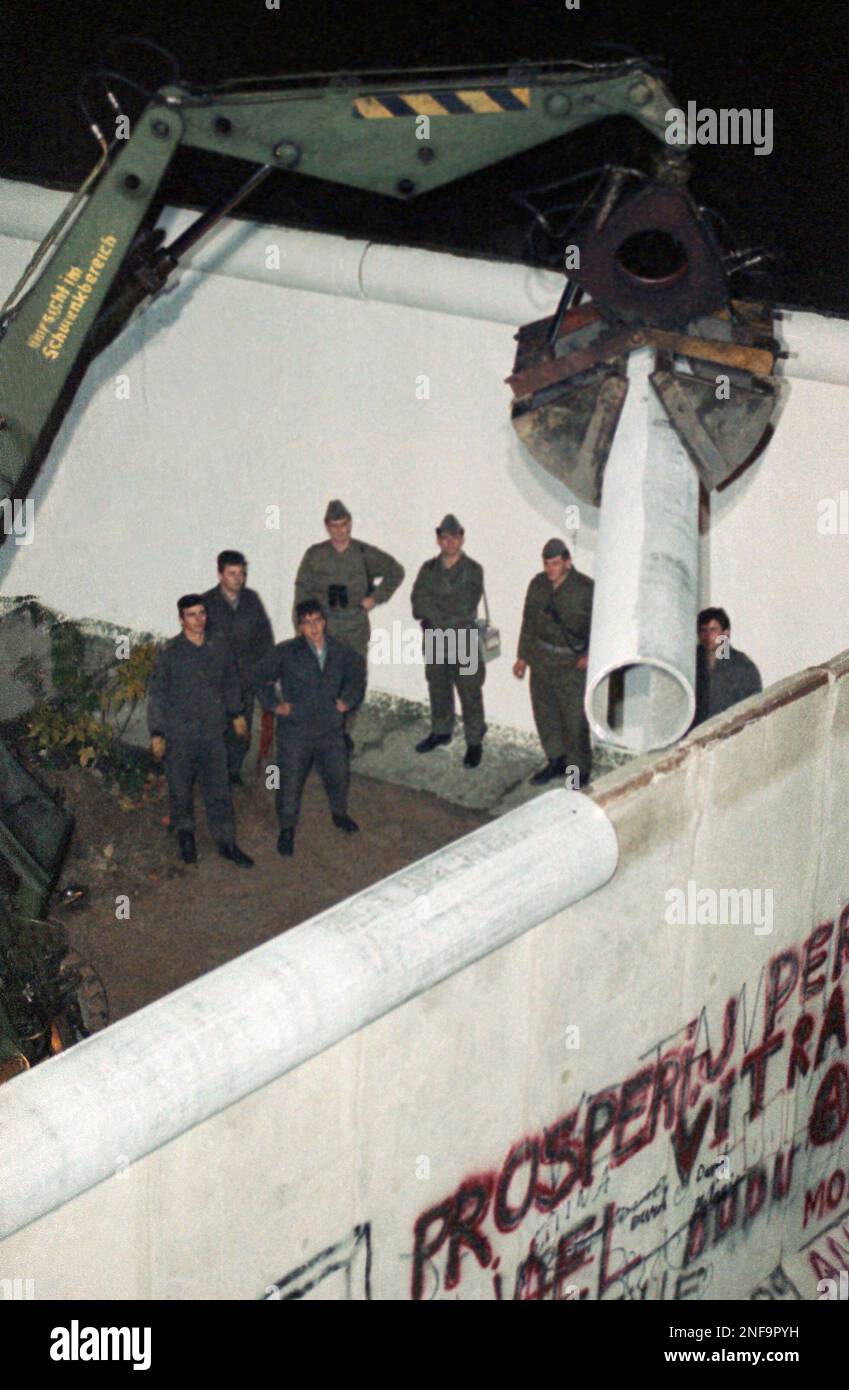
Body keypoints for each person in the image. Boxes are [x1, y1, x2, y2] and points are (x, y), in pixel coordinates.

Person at [253, 599, 366, 857]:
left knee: (338, 776)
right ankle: (286, 830)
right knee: (288, 783)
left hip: (330, 730)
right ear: (300, 627)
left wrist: (347, 700)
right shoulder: (286, 652)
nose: (313, 628)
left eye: (317, 621)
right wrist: (275, 705)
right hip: (296, 732)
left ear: (324, 622)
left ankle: (339, 815)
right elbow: (259, 677)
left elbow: (357, 677)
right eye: (307, 623)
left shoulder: (341, 651)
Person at [147, 595, 254, 867]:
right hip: (179, 735)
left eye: (202, 613)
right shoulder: (170, 652)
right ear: (181, 619)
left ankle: (226, 842)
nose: (199, 619)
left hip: (212, 734)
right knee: (180, 790)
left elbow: (231, 679)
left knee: (219, 790)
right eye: (192, 614)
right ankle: (186, 837)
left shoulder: (219, 647)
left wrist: (236, 713)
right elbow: (157, 694)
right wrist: (157, 733)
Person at [293, 501, 404, 751]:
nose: (340, 531)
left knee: (353, 682)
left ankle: (344, 732)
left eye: (344, 525)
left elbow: (395, 571)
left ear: (350, 524)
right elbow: (302, 590)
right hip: (324, 629)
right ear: (327, 527)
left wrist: (375, 598)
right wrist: (300, 628)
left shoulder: (363, 554)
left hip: (354, 629)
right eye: (334, 526)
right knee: (320, 683)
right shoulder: (315, 555)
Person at [514, 538, 594, 787]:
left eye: (555, 563)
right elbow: (528, 621)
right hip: (541, 660)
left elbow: (601, 625)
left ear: (567, 562)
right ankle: (555, 760)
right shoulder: (538, 585)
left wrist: (591, 655)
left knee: (574, 720)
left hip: (570, 665)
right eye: (547, 564)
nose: (550, 569)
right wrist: (522, 657)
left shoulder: (586, 589)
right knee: (545, 714)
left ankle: (577, 771)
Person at [410, 514, 486, 768]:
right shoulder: (427, 569)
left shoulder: (473, 570)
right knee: (438, 687)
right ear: (438, 540)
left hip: (463, 640)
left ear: (462, 538)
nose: (450, 542)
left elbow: (465, 606)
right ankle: (441, 731)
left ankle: (474, 741)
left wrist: (437, 610)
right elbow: (417, 604)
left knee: (470, 692)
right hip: (435, 640)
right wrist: (444, 611)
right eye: (444, 537)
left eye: (454, 537)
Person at [202, 549, 274, 786]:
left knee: (241, 733)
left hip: (245, 679)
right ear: (220, 574)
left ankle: (232, 772)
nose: (237, 579)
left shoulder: (252, 600)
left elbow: (265, 638)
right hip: (216, 682)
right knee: (214, 731)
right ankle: (211, 775)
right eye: (231, 573)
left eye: (241, 573)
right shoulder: (207, 603)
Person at [692, 607, 762, 727]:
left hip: (729, 735)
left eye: (713, 630)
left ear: (726, 633)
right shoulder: (692, 661)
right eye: (703, 630)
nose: (708, 635)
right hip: (694, 736)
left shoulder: (742, 665)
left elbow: (753, 705)